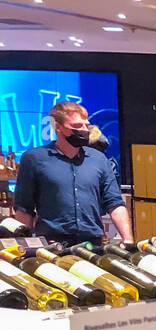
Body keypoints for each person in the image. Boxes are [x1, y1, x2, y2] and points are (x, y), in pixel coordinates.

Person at [12, 101, 132, 245]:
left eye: (85, 125)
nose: (83, 130)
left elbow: (115, 203)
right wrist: (22, 244)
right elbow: (24, 207)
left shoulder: (98, 159)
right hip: (52, 243)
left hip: (93, 242)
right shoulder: (35, 158)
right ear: (58, 127)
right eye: (76, 126)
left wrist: (128, 239)